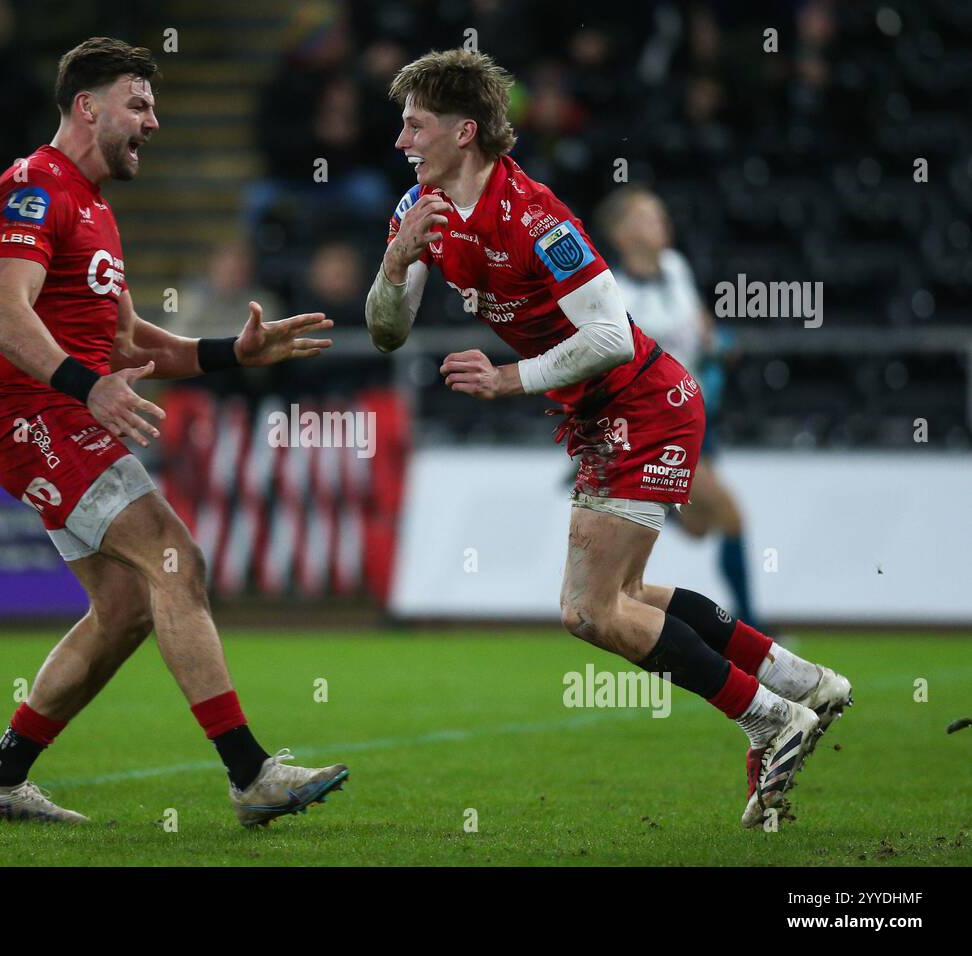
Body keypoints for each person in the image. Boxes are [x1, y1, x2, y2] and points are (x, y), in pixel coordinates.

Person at [364, 49, 850, 828]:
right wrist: (393, 265)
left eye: (414, 124)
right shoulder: (416, 212)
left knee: (590, 611)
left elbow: (612, 338)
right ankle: (799, 682)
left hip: (647, 403)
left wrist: (508, 378)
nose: (401, 141)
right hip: (599, 415)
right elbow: (387, 333)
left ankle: (768, 716)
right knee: (617, 601)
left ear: (463, 131)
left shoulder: (537, 217)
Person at [0, 37, 348, 825]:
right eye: (138, 104)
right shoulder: (35, 186)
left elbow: (133, 344)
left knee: (127, 609)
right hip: (36, 418)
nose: (155, 121)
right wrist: (85, 384)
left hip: (64, 415)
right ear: (86, 107)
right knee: (179, 559)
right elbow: (3, 314)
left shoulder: (94, 206)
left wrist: (232, 352)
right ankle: (250, 774)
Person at [596, 184, 765, 631]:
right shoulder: (616, 295)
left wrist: (716, 343)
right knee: (731, 516)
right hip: (658, 424)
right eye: (648, 216)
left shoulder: (675, 267)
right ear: (621, 232)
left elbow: (698, 325)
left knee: (698, 529)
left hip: (697, 417)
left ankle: (651, 497)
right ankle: (751, 627)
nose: (661, 222)